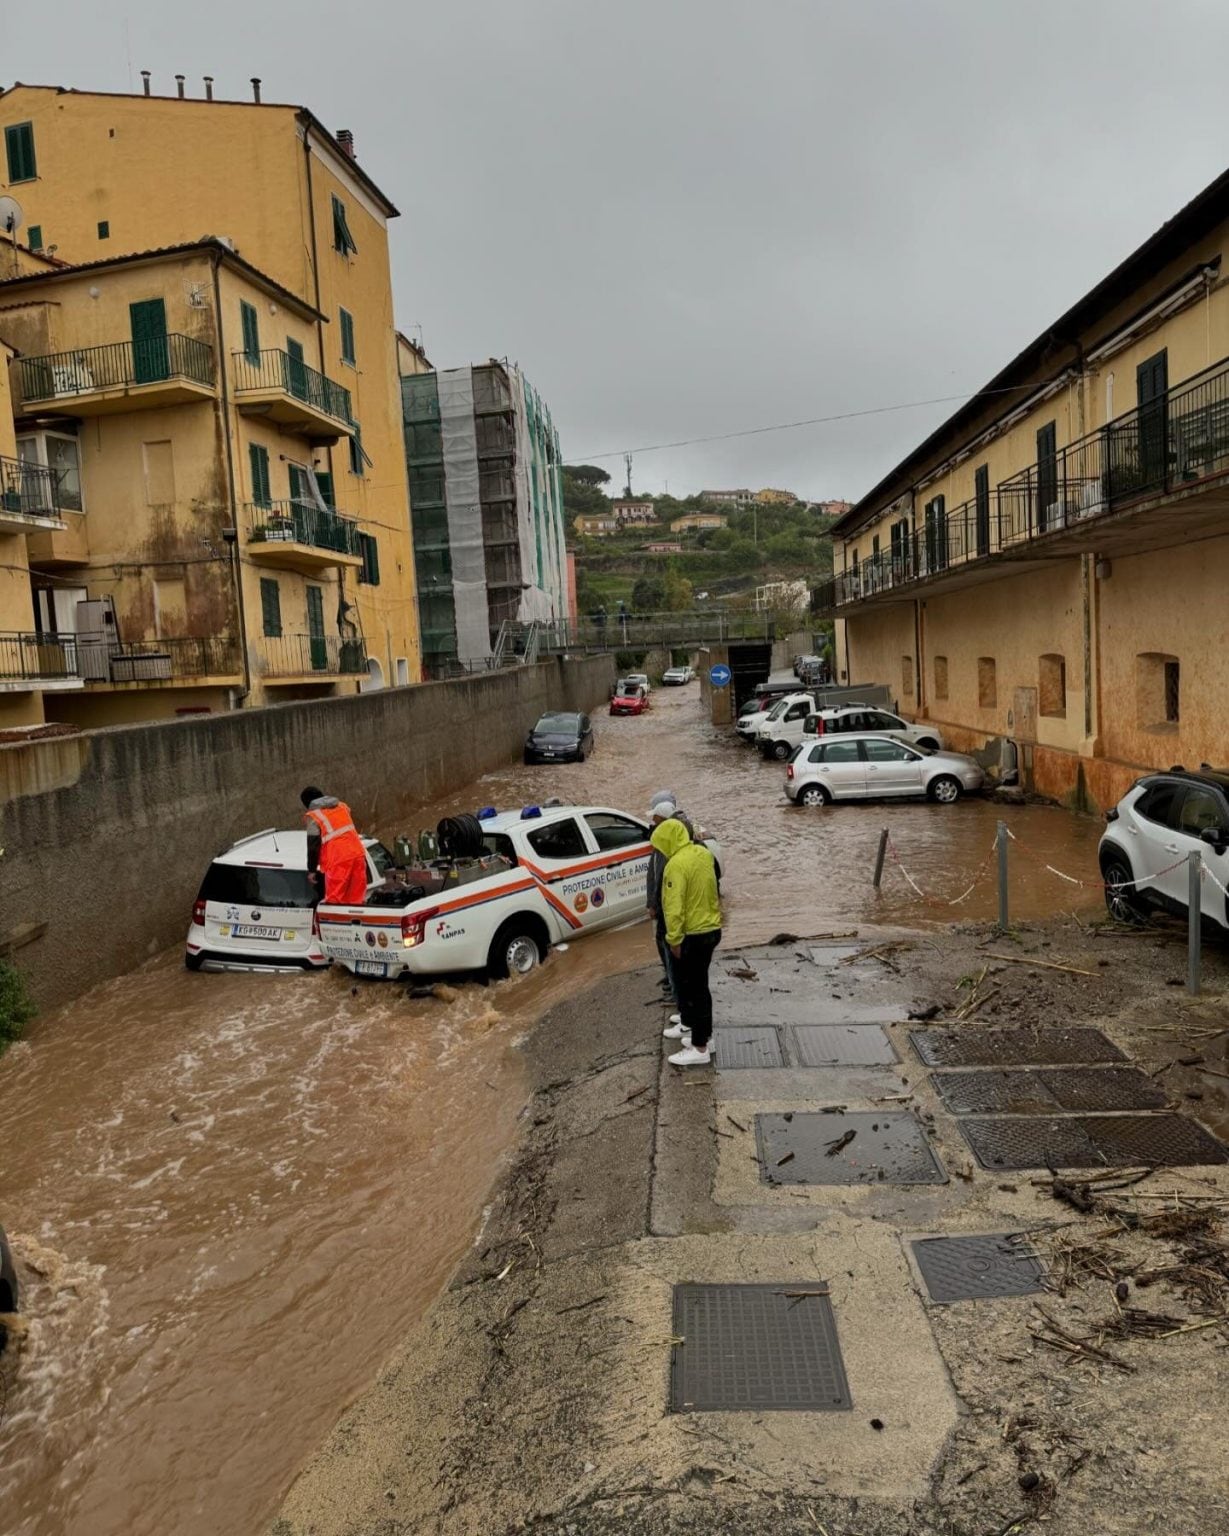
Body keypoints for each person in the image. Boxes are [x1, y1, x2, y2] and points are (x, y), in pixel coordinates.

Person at [652, 817, 721, 1067]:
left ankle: (699, 1048)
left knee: (693, 989)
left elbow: (673, 908)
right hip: (711, 928)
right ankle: (704, 1036)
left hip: (692, 935)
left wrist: (674, 939)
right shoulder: (703, 854)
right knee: (701, 987)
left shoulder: (675, 866)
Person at [301, 786, 369, 905]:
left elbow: (313, 846)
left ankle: (336, 923)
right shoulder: (342, 806)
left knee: (334, 901)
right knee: (356, 900)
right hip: (357, 855)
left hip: (337, 860)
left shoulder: (313, 816)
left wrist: (312, 870)